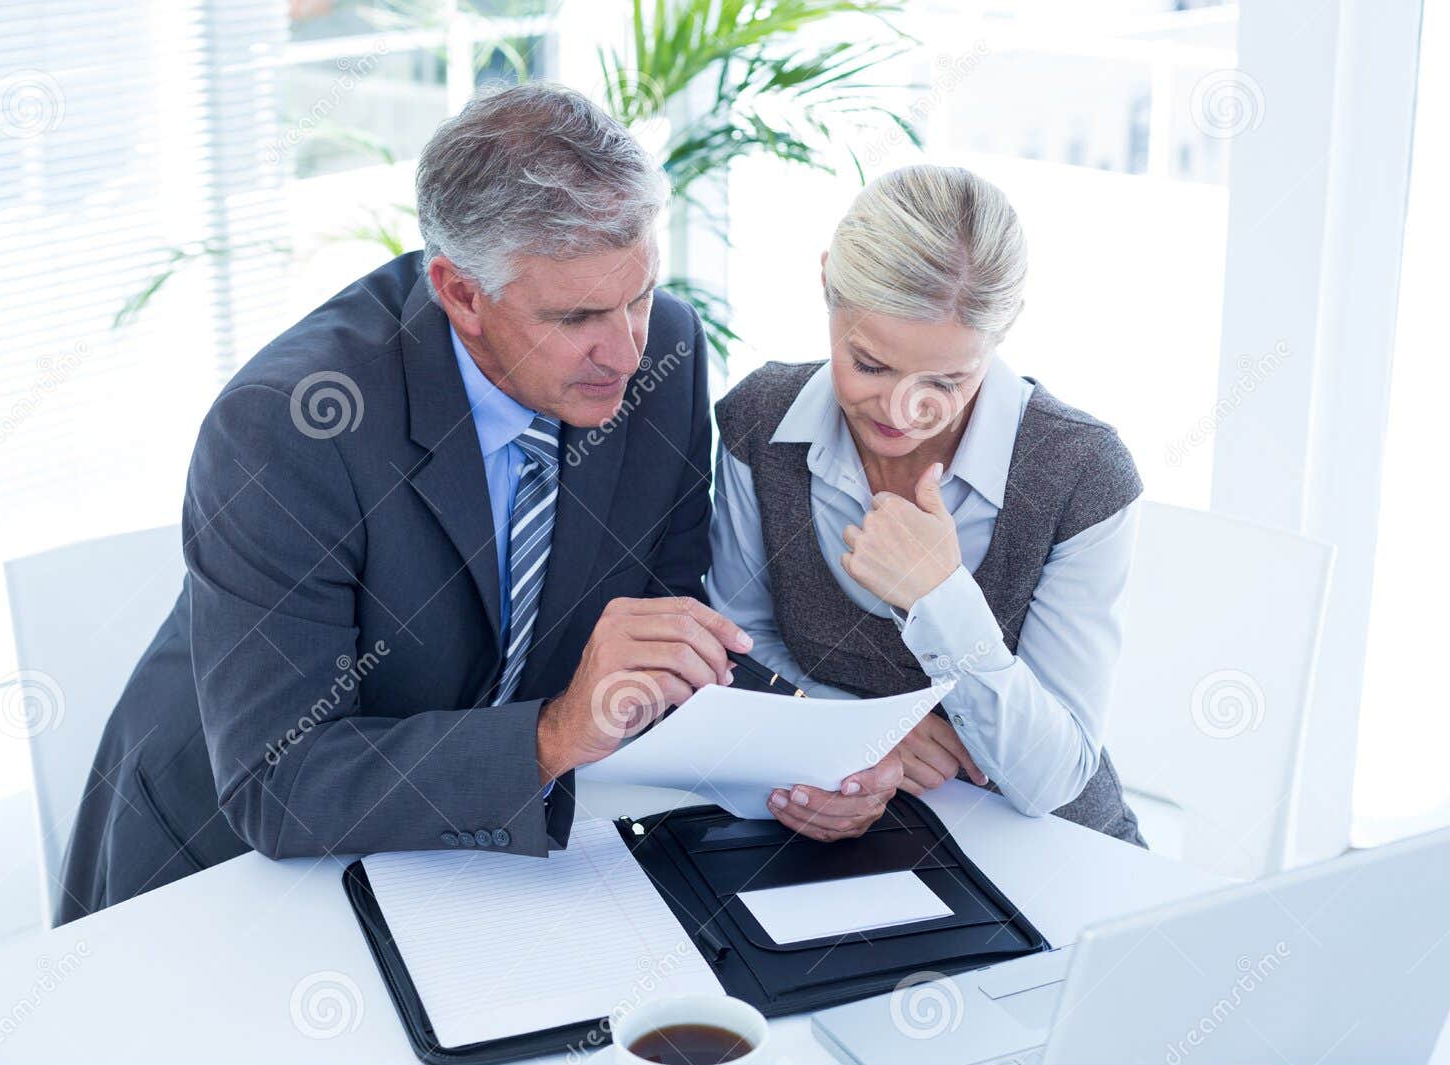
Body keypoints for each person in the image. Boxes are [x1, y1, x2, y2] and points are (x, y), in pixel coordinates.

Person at [57, 83, 900, 923]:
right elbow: (282, 779)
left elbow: (667, 626)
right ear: (459, 293)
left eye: (638, 294)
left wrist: (821, 750)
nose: (626, 348)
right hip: (225, 873)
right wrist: (551, 737)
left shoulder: (665, 349)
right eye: (576, 316)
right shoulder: (287, 426)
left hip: (458, 857)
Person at [709, 164, 1145, 845]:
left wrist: (940, 596)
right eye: (871, 365)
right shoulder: (758, 424)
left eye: (946, 380)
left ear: (1003, 332)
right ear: (827, 283)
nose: (900, 411)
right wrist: (858, 732)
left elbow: (1053, 779)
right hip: (843, 835)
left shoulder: (1083, 474)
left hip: (1051, 852)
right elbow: (740, 650)